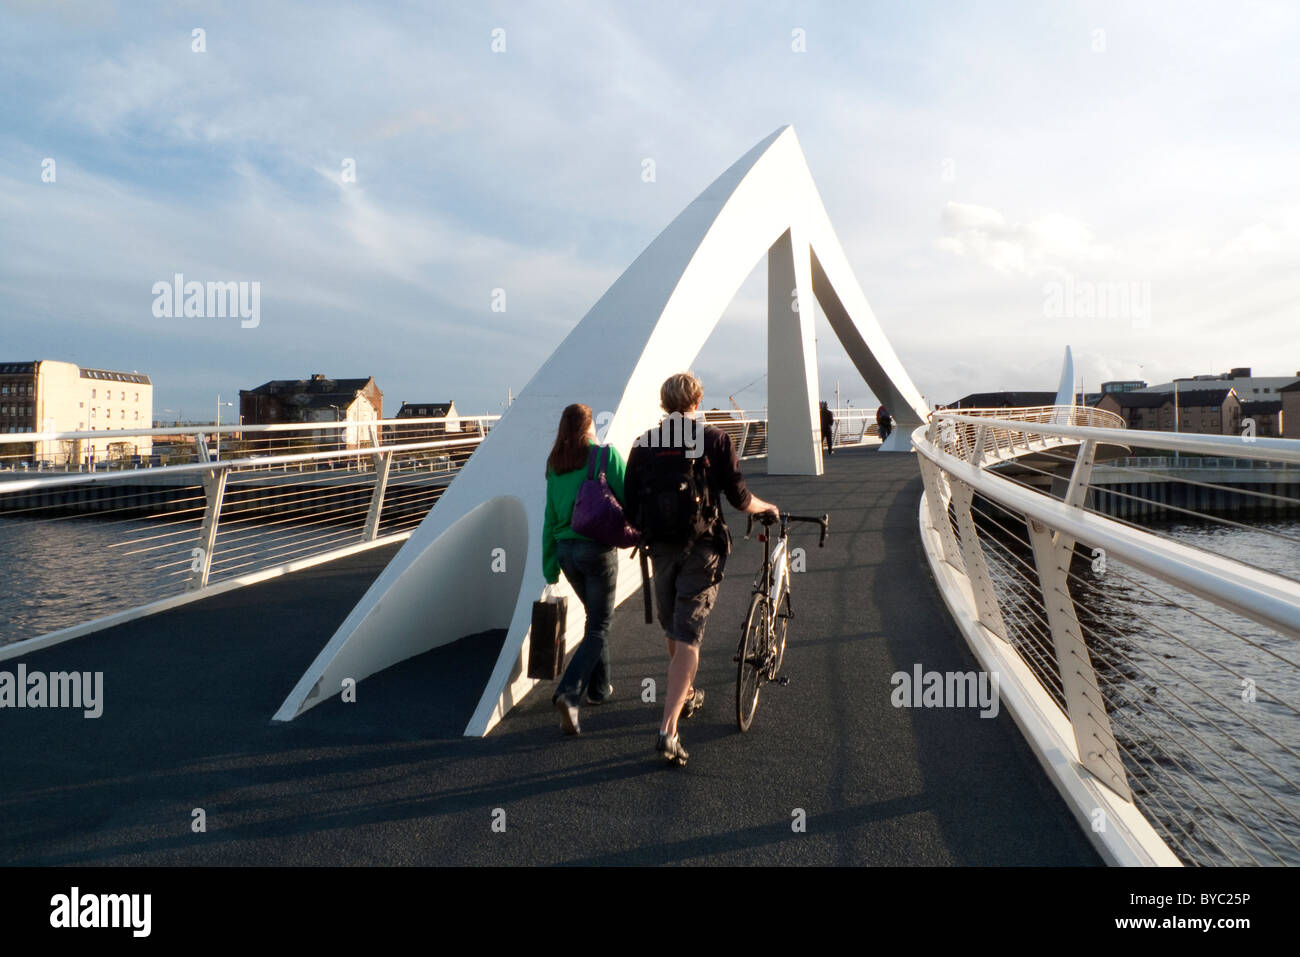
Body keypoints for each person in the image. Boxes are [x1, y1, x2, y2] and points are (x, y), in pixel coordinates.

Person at [624, 373, 779, 766]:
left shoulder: (644, 444)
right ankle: (668, 730)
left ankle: (687, 695)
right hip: (703, 547)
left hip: (658, 549)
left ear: (663, 404)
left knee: (673, 626)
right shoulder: (714, 440)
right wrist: (767, 508)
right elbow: (741, 500)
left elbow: (629, 506)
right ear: (697, 401)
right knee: (689, 634)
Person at [542, 403, 626, 736]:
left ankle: (599, 690)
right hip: (597, 550)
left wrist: (549, 565)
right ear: (590, 426)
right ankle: (569, 692)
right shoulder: (605, 456)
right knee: (599, 625)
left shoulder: (555, 464)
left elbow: (549, 517)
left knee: (595, 620)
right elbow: (628, 497)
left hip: (566, 552)